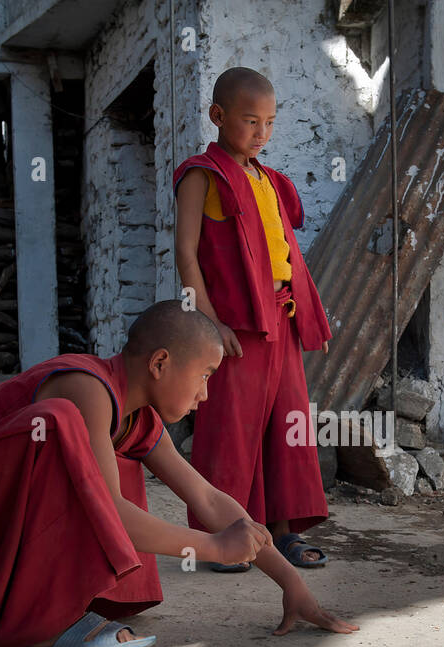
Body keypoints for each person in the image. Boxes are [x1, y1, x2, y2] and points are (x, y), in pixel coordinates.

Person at [0, 300, 357, 647]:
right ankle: (39, 626)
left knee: (115, 458)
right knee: (61, 427)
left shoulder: (136, 415)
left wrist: (289, 581)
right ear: (161, 363)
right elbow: (108, 511)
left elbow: (206, 497)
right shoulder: (83, 387)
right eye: (205, 374)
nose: (206, 394)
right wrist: (214, 549)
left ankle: (50, 604)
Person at [173, 66, 331, 572]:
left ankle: (280, 535)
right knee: (231, 430)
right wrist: (210, 325)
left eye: (268, 123)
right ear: (217, 116)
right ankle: (223, 538)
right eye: (248, 121)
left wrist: (305, 311)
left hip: (279, 319)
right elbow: (186, 255)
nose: (260, 134)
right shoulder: (203, 174)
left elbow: (284, 251)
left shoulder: (269, 179)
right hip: (235, 325)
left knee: (287, 427)